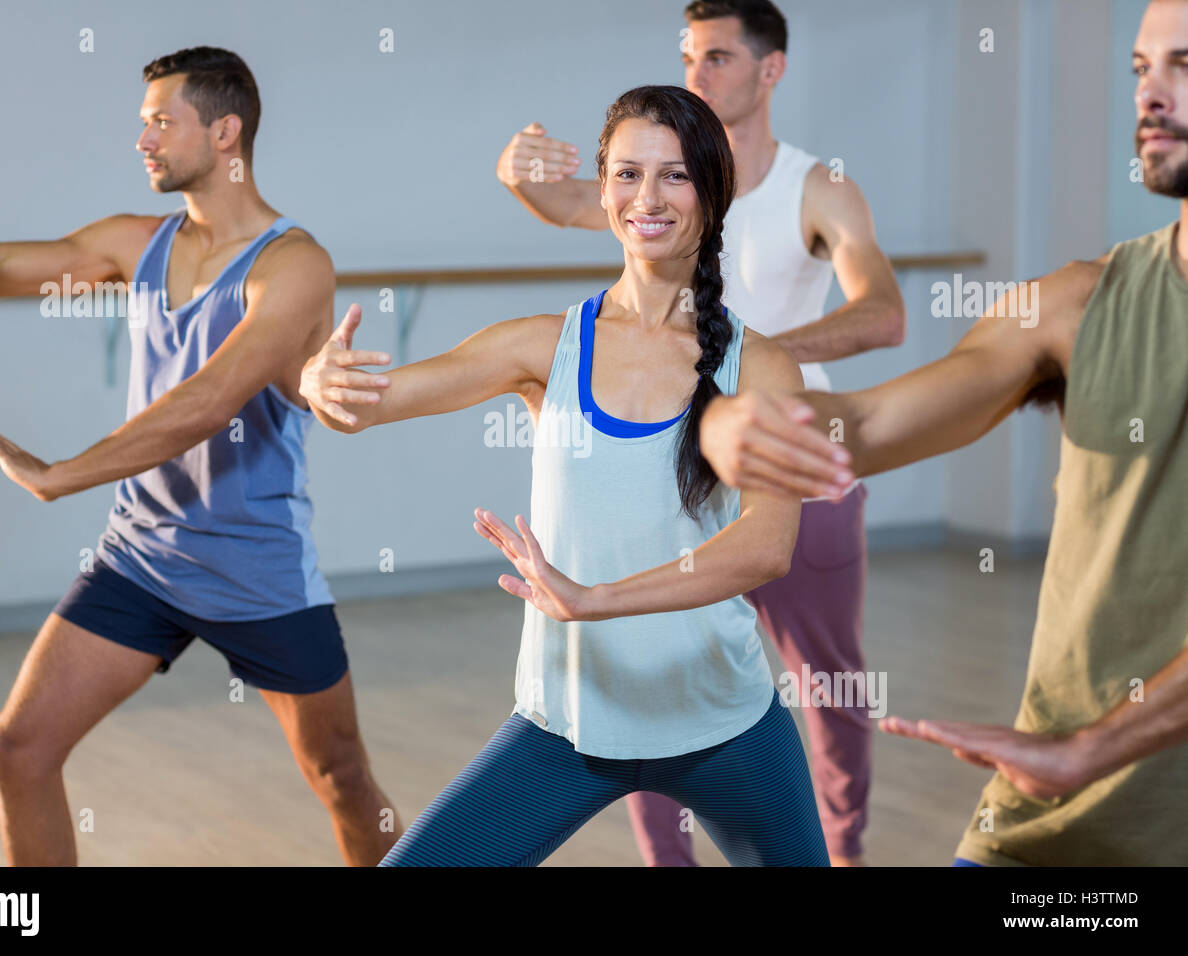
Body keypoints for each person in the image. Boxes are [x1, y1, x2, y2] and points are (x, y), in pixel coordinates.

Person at [695, 0, 1188, 866]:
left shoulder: (817, 187)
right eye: (1140, 68)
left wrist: (1095, 750)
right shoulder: (1077, 303)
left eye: (1183, 65)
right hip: (1043, 817)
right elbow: (877, 420)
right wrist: (745, 416)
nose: (1151, 94)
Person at [0, 46, 400, 866]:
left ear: (225, 131)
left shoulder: (294, 265)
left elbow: (207, 403)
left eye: (161, 121)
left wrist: (63, 475)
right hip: (141, 560)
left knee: (341, 777)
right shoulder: (134, 243)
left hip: (258, 571)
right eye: (141, 124)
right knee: (16, 752)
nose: (143, 140)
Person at [302, 84, 828, 867]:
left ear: (712, 195)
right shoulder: (543, 346)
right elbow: (372, 405)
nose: (646, 197)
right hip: (568, 722)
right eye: (626, 174)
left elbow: (765, 548)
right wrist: (323, 385)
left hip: (723, 720)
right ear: (605, 189)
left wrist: (596, 600)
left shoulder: (764, 367)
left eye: (675, 176)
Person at [492, 0, 904, 866]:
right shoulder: (663, 180)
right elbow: (573, 199)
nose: (697, 74)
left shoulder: (816, 187)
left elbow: (884, 313)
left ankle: (843, 849)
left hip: (793, 460)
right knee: (642, 668)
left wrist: (735, 367)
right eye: (688, 56)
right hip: (667, 465)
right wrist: (517, 169)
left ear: (771, 69)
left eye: (717, 57)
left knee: (826, 686)